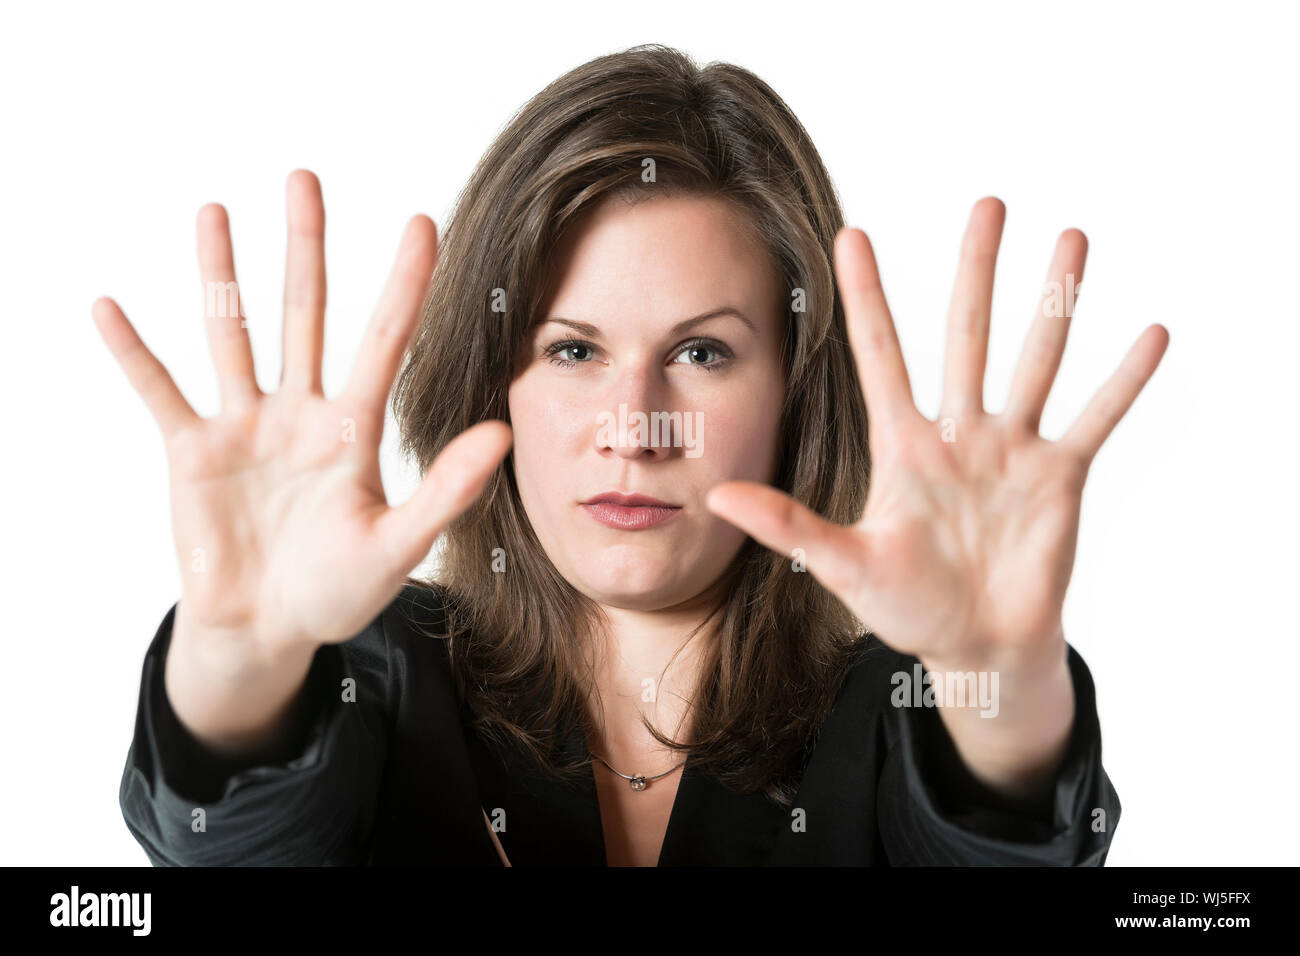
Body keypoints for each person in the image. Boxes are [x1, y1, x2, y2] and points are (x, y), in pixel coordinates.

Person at [100, 44, 1167, 867]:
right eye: (573, 348)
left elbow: (997, 845)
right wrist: (240, 650)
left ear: (797, 392)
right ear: (492, 381)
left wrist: (994, 670)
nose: (634, 420)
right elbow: (228, 843)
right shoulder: (365, 675)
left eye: (701, 351)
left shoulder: (897, 708)